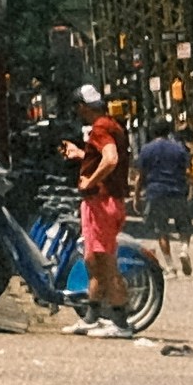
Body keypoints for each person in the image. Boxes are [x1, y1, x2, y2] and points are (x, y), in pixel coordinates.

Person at [66, 81, 134, 335]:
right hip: (101, 202)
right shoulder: (111, 126)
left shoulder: (101, 128)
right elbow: (103, 157)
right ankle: (91, 316)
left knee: (106, 263)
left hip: (102, 203)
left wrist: (89, 180)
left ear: (84, 107)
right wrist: (80, 155)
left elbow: (111, 159)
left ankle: (120, 322)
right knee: (93, 261)